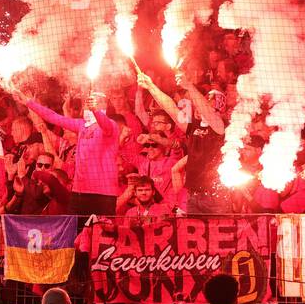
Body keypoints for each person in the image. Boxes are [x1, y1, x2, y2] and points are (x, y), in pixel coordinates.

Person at [22, 87, 124, 216]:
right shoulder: (81, 125)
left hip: (102, 193)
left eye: (96, 102)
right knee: (75, 232)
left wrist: (95, 111)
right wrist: (28, 102)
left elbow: (104, 124)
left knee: (101, 233)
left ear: (104, 105)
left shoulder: (111, 125)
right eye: (89, 103)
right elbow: (53, 117)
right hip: (79, 191)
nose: (89, 104)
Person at [136, 70, 227, 214]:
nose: (202, 101)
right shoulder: (194, 126)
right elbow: (171, 108)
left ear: (218, 107)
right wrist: (151, 87)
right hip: (193, 195)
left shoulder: (220, 127)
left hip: (215, 197)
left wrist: (189, 86)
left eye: (209, 99)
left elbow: (207, 111)